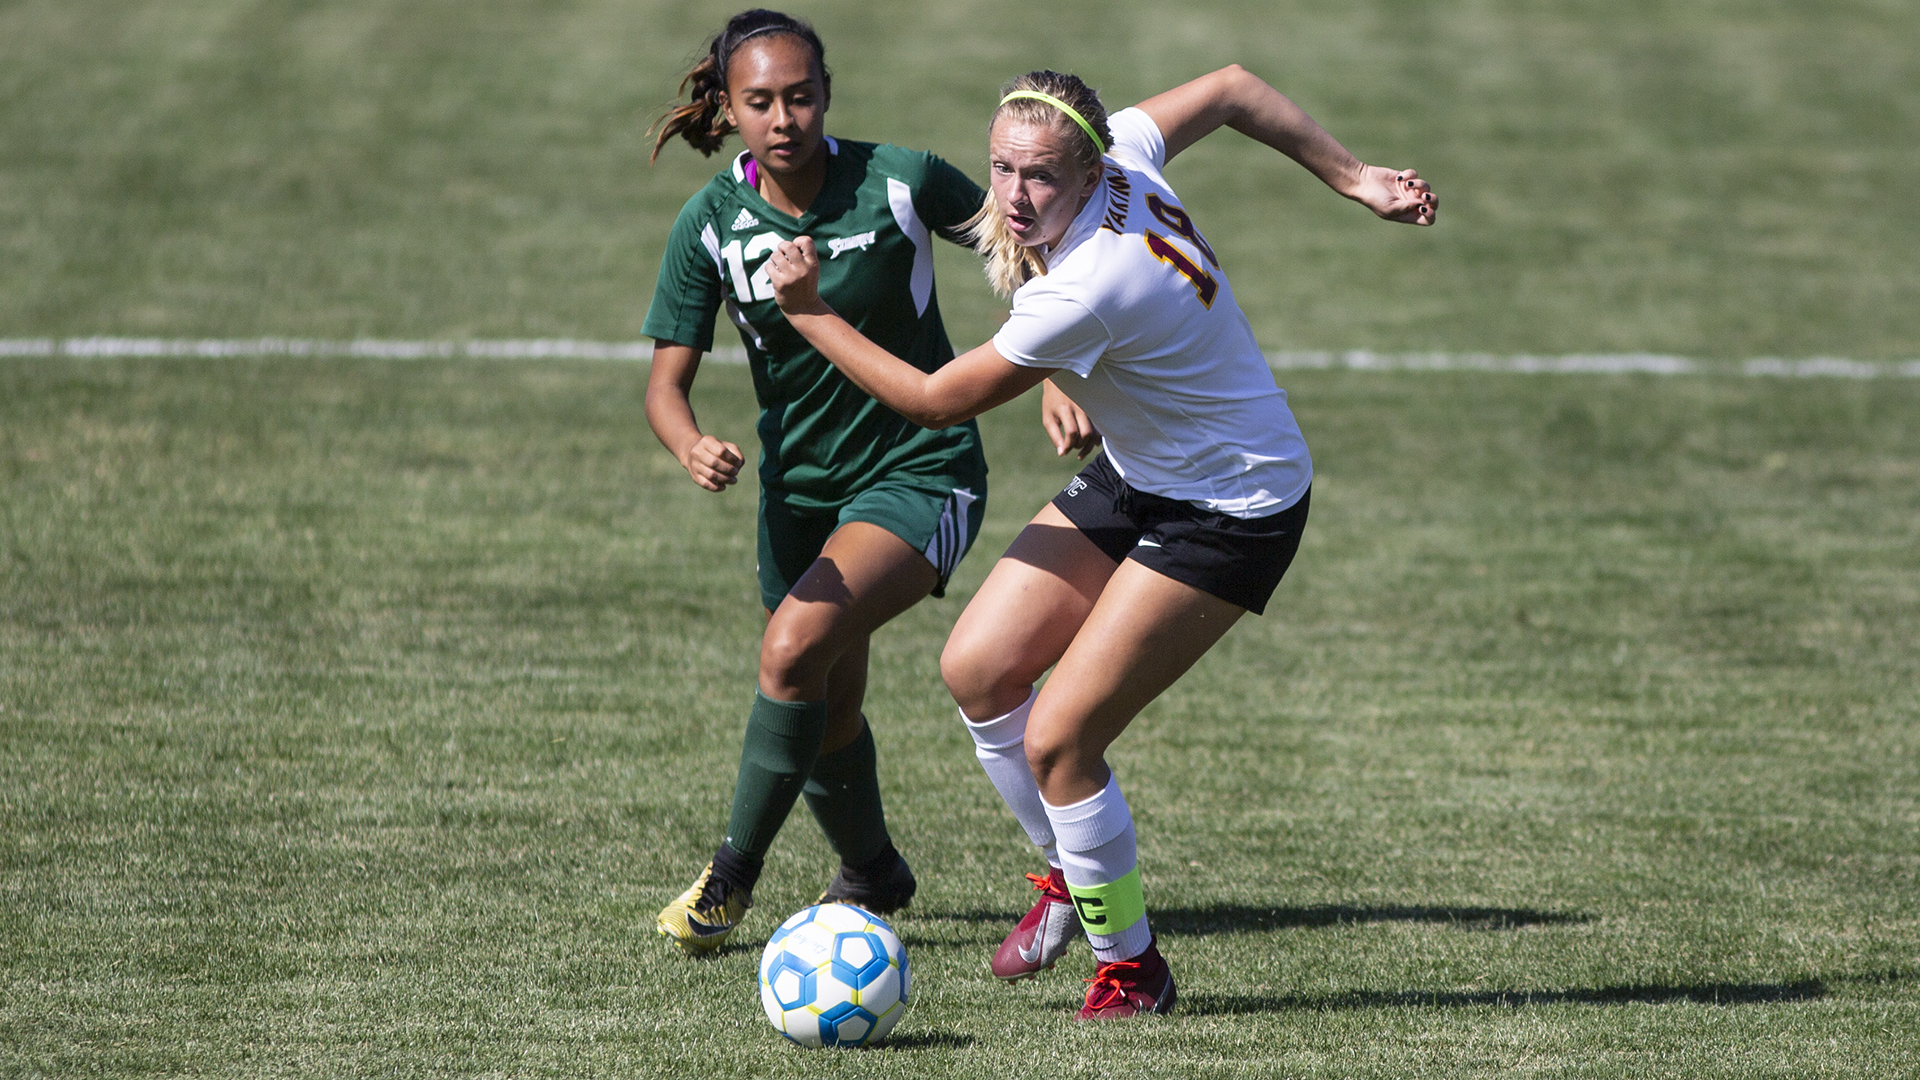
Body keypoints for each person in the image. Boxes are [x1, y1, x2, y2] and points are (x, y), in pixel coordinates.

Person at [766, 66, 1435, 1016]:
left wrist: (810, 312)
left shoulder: (1089, 283)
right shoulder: (1117, 152)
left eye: (1038, 177)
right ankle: (1072, 876)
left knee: (1060, 739)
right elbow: (1236, 89)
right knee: (978, 667)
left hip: (1233, 505)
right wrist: (1354, 176)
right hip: (1144, 468)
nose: (1013, 194)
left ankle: (1134, 971)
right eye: (1001, 168)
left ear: (1086, 174)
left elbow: (932, 399)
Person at [641, 11, 1095, 954]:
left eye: (800, 96)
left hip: (921, 472)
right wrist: (689, 443)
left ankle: (730, 877)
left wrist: (1055, 373)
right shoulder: (711, 225)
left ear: (826, 95)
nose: (784, 118)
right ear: (728, 108)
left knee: (791, 647)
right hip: (797, 497)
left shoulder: (900, 179)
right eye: (759, 101)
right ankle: (874, 873)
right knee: (824, 699)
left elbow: (1024, 248)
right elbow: (665, 384)